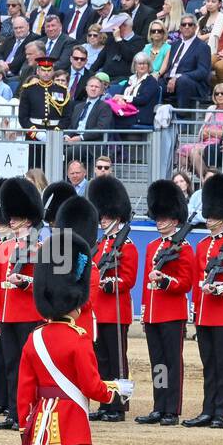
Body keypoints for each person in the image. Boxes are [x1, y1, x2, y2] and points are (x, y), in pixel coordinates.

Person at [20, 195, 128, 445]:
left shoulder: (34, 339)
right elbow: (93, 388)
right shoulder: (78, 339)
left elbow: (24, 395)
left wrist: (25, 433)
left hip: (40, 429)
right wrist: (116, 393)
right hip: (71, 425)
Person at [186, 173, 223, 431]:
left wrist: (218, 289)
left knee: (222, 364)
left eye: (213, 215)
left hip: (221, 312)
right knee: (208, 364)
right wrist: (196, 307)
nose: (209, 219)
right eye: (208, 215)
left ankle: (221, 411)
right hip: (204, 313)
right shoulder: (202, 245)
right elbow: (197, 280)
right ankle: (207, 409)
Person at [136, 180, 195, 426]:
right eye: (158, 217)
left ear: (175, 218)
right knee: (158, 364)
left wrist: (165, 281)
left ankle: (172, 408)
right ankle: (159, 405)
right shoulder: (152, 246)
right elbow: (144, 284)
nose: (160, 221)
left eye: (165, 218)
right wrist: (144, 312)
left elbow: (185, 283)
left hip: (172, 313)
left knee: (172, 362)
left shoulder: (184, 247)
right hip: (153, 314)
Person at [0, 178, 45, 432]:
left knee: (28, 368)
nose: (10, 220)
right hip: (9, 315)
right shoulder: (5, 246)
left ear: (28, 218)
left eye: (16, 216)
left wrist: (25, 283)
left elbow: (42, 283)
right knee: (11, 366)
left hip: (29, 314)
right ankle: (14, 412)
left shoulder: (39, 246)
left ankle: (29, 412)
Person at [85, 176, 137, 425]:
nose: (103, 219)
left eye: (107, 216)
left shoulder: (127, 246)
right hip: (98, 313)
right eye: (101, 215)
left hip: (116, 311)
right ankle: (106, 401)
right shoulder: (98, 245)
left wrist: (110, 283)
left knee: (117, 361)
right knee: (101, 361)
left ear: (117, 216)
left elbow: (128, 280)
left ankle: (119, 404)